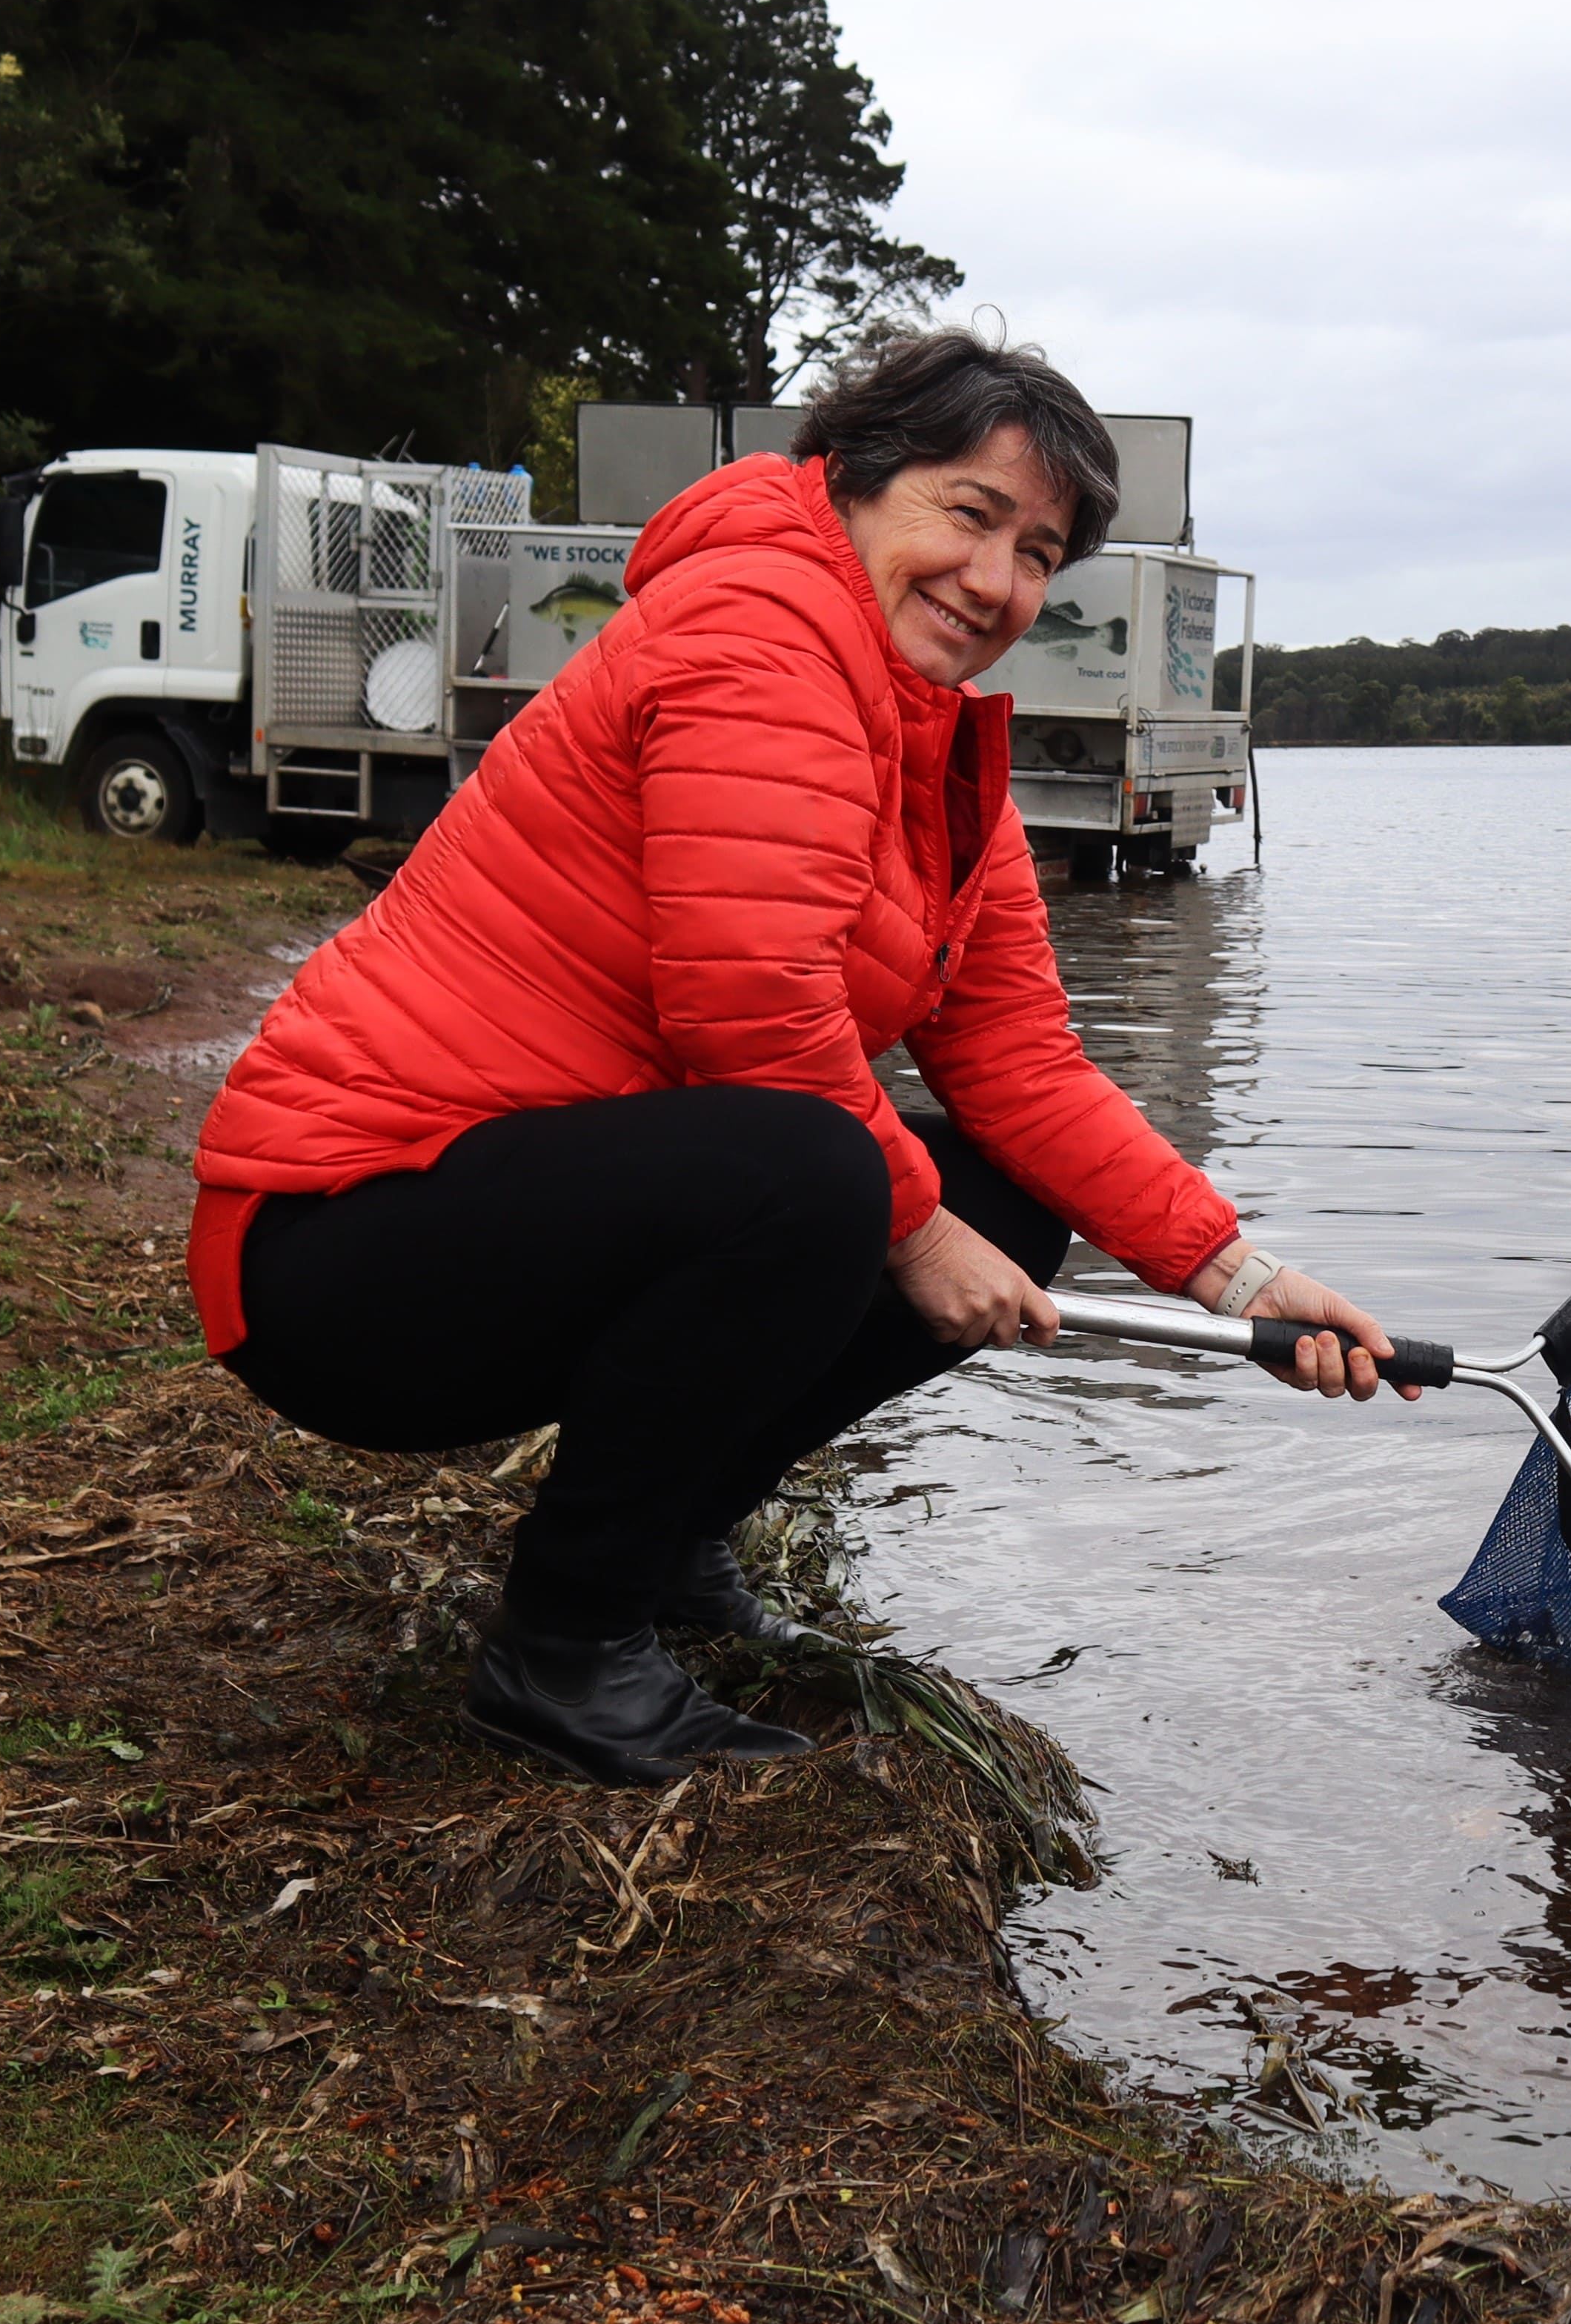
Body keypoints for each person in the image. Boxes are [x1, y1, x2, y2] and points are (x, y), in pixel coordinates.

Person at [186, 330, 1407, 1788]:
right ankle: (564, 1646)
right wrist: (916, 1233)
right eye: (969, 514)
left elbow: (1021, 1058)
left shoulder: (932, 746)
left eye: (1038, 553)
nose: (996, 581)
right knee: (823, 1171)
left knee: (1003, 1191)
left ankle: (667, 1536)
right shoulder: (760, 625)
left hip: (521, 1215)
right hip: (338, 1250)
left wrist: (1240, 1278)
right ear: (852, 481)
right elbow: (751, 1011)